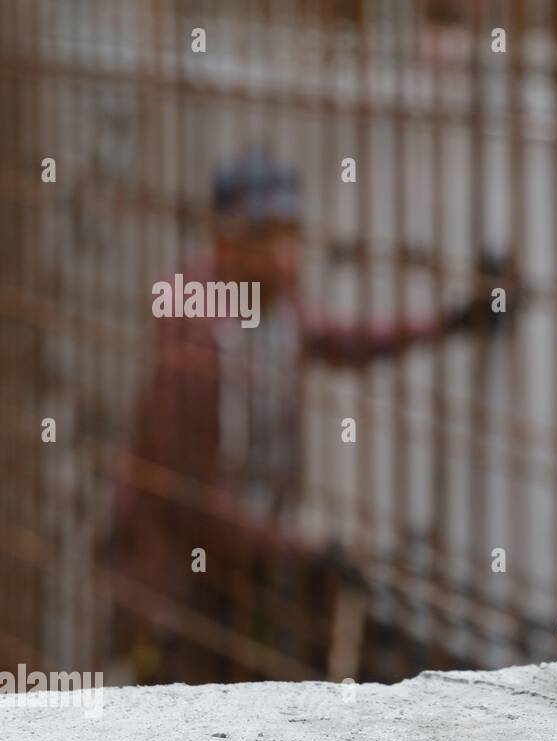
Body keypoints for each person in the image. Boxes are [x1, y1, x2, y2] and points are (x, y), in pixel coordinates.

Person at [101, 148, 517, 683]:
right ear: (224, 239)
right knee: (183, 715)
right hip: (175, 587)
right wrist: (307, 550)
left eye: (290, 233)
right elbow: (200, 506)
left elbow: (341, 341)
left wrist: (451, 321)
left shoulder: (276, 304)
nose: (282, 254)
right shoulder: (198, 346)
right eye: (264, 235)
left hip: (244, 564)